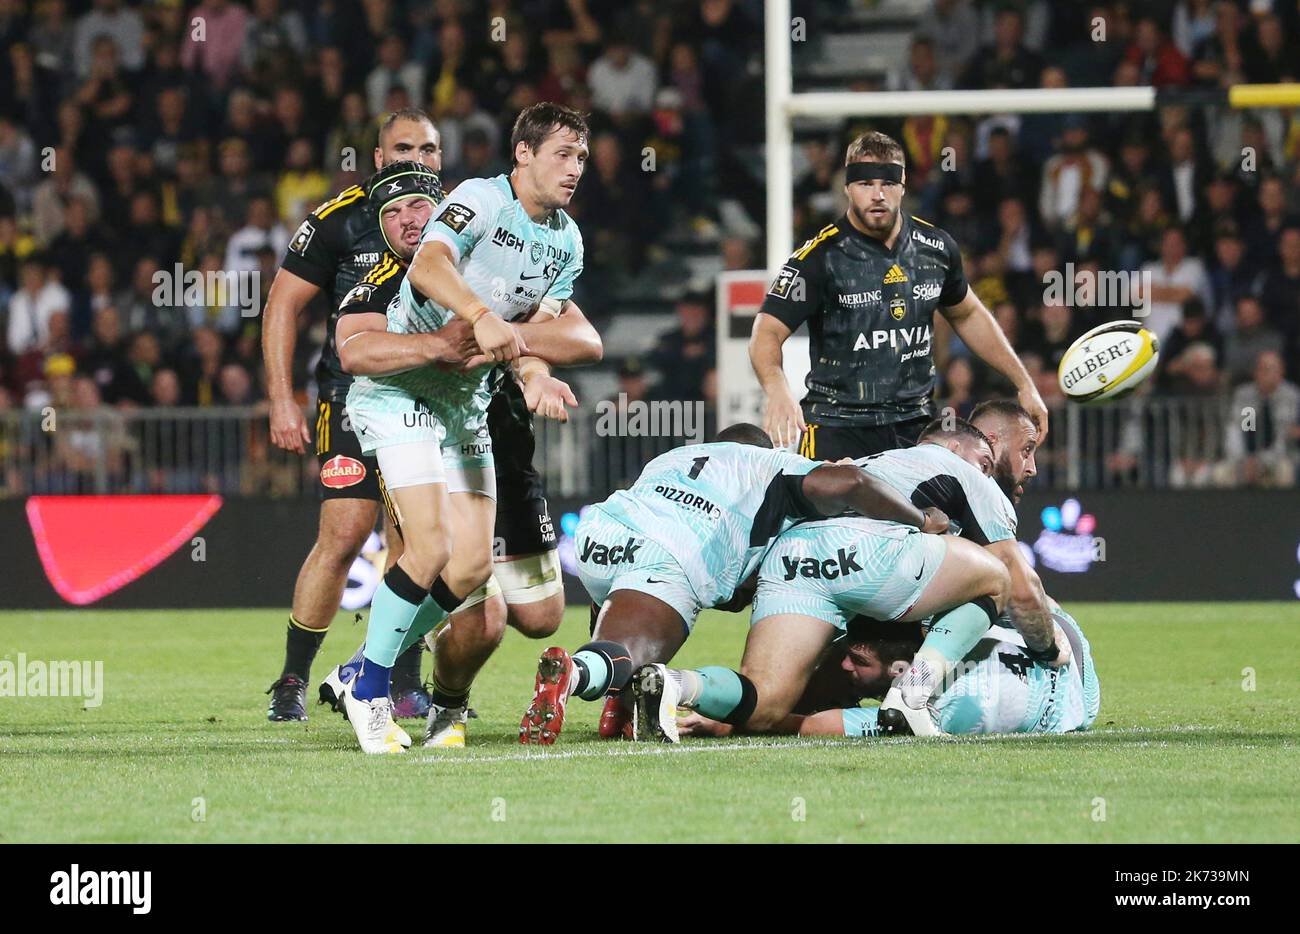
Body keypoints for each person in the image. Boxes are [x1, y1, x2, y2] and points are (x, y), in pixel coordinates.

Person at [332, 103, 598, 753]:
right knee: (428, 546)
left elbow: (545, 329)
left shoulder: (566, 241)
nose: (575, 169)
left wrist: (532, 374)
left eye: (583, 158)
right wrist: (478, 314)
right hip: (399, 395)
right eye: (562, 154)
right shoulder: (480, 199)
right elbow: (428, 266)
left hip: (464, 404)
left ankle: (356, 670)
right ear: (524, 154)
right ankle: (371, 693)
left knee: (472, 563)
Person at [632, 408, 1065, 741]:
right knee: (996, 577)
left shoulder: (858, 463)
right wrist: (1049, 650)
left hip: (793, 557)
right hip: (865, 555)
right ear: (953, 449)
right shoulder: (956, 468)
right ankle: (914, 696)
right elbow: (1023, 586)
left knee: (765, 701)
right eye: (984, 461)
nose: (988, 472)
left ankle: (679, 683)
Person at [518, 421, 950, 745]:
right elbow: (851, 482)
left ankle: (619, 707)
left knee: (624, 602)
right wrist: (920, 519)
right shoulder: (772, 464)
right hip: (666, 556)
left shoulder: (674, 456)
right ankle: (573, 674)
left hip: (598, 539)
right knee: (624, 643)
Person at [261, 108, 444, 722]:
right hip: (347, 399)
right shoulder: (341, 217)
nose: (416, 159)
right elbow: (283, 304)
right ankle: (292, 680)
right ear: (377, 158)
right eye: (402, 148)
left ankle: (401, 680)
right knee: (342, 534)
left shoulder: (459, 223)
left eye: (428, 148)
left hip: (427, 403)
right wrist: (280, 397)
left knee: (412, 542)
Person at [750, 130, 1047, 461]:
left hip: (914, 428)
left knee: (933, 514)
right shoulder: (819, 258)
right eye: (865, 184)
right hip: (837, 429)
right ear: (847, 187)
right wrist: (777, 390)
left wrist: (1024, 383)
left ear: (903, 185)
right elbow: (766, 332)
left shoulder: (936, 249)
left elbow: (968, 314)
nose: (877, 194)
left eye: (887, 183)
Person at [680, 603, 1100, 739]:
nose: (845, 664)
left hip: (1079, 702)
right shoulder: (961, 625)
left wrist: (725, 725)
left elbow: (812, 727)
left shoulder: (918, 713)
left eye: (860, 662)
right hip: (1070, 653)